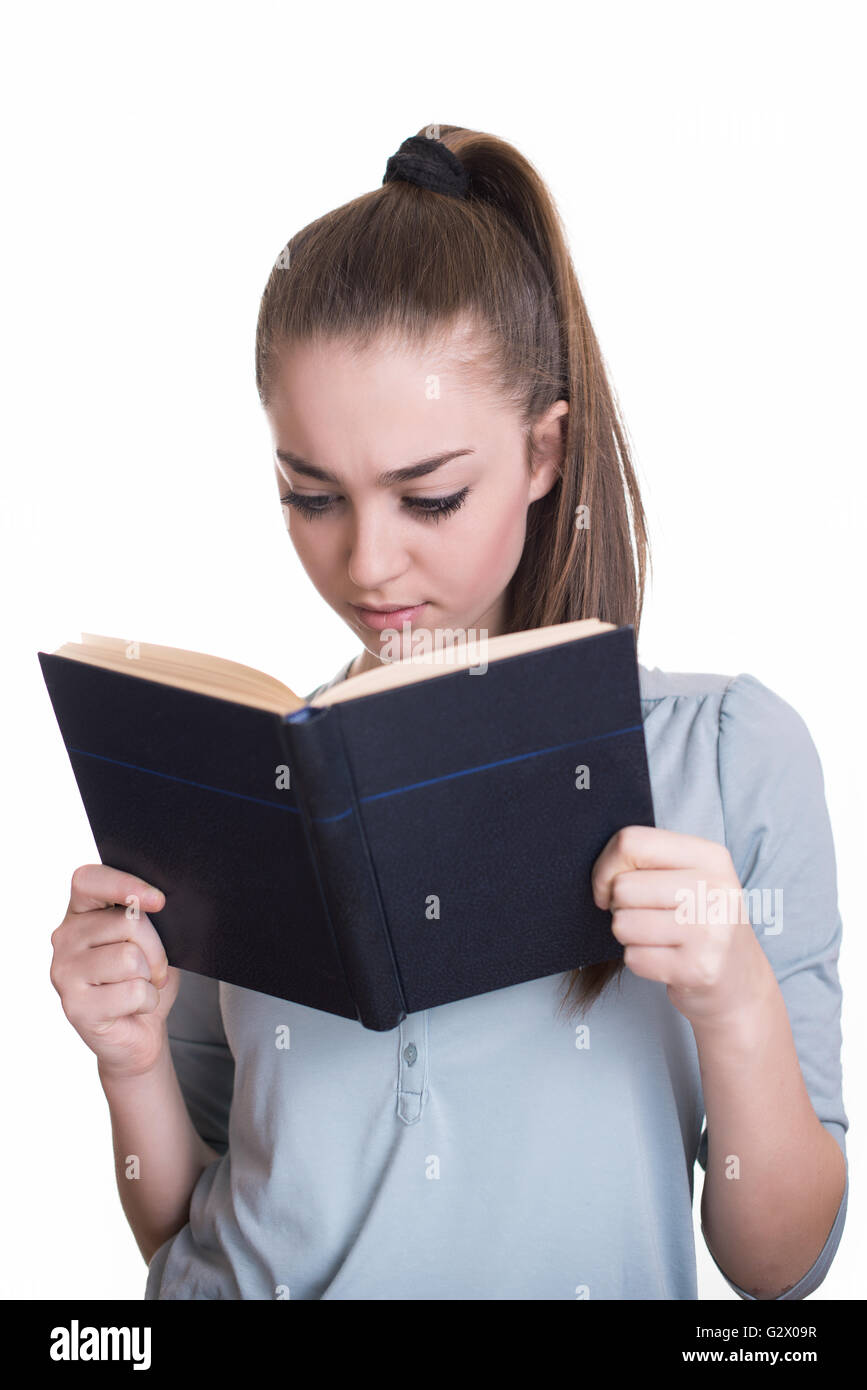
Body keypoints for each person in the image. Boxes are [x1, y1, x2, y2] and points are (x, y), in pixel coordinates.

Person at [50, 125, 848, 1300]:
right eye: (310, 496)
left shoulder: (728, 758)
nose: (369, 563)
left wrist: (732, 999)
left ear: (544, 450)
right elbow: (185, 1237)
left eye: (431, 495)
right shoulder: (254, 772)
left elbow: (782, 1273)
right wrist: (128, 1068)